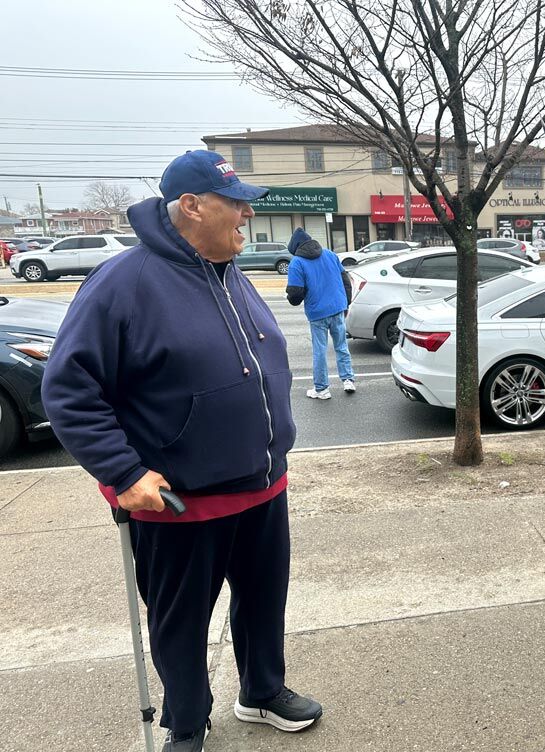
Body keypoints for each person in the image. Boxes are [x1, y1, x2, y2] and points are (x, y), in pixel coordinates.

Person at [41, 150, 322, 752]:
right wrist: (123, 472)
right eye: (236, 203)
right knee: (181, 623)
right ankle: (188, 720)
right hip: (180, 501)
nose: (248, 213)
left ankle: (262, 691)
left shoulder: (230, 271)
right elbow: (68, 389)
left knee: (263, 601)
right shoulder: (123, 283)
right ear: (191, 206)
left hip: (262, 487)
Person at [285, 227, 356, 398]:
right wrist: (345, 303)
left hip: (317, 313)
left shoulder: (296, 263)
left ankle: (322, 389)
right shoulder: (330, 255)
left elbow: (295, 294)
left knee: (320, 351)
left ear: (295, 247)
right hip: (337, 308)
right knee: (341, 346)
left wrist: (291, 297)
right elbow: (346, 280)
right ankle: (348, 380)